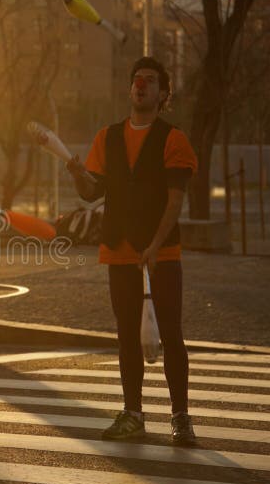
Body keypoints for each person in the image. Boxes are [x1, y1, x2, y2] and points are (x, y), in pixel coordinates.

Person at [64, 56, 198, 446]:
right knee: (126, 336)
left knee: (171, 334)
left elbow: (175, 201)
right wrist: (77, 175)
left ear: (163, 94)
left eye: (150, 81)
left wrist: (156, 245)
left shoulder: (173, 139)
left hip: (162, 253)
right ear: (129, 88)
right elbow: (93, 192)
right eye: (136, 80)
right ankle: (133, 413)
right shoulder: (108, 137)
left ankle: (181, 417)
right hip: (119, 250)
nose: (141, 85)